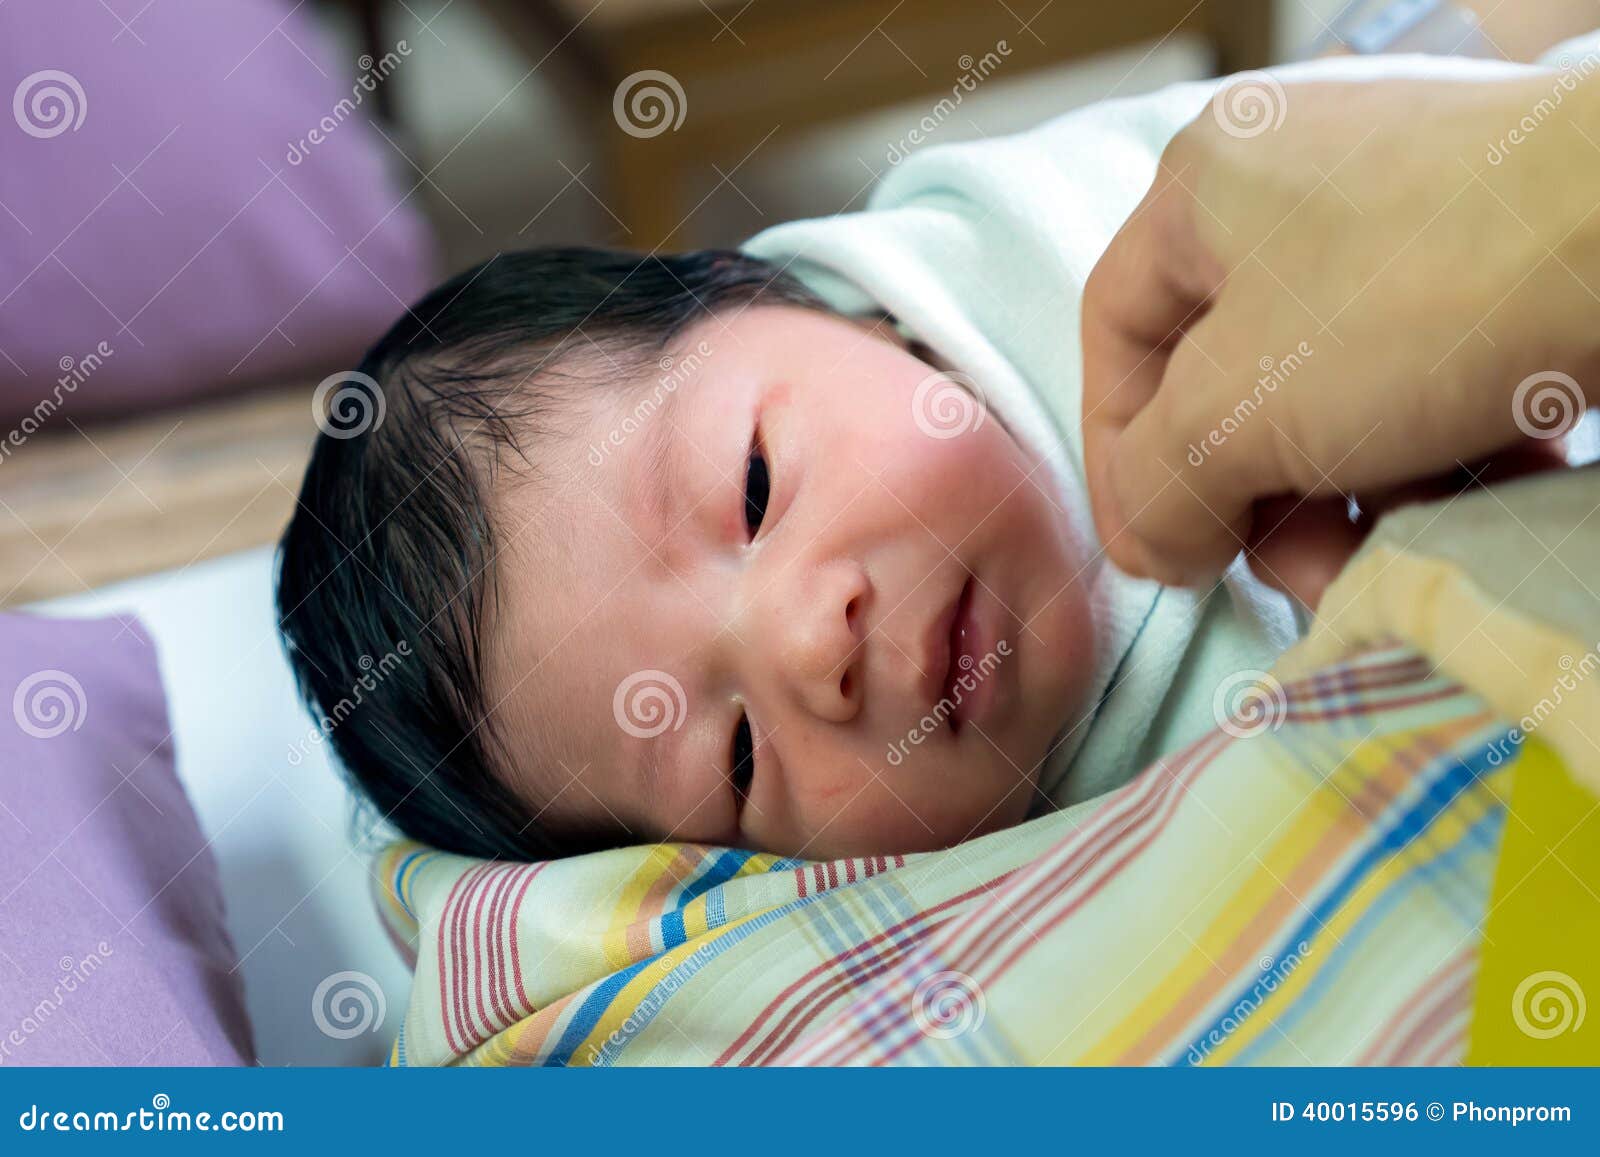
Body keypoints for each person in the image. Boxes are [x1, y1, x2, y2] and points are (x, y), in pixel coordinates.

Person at [277, 15, 1598, 865]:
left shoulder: (1098, 225)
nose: (811, 645)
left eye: (751, 488)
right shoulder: (1086, 856)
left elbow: (1453, 167)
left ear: (823, 307)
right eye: (734, 756)